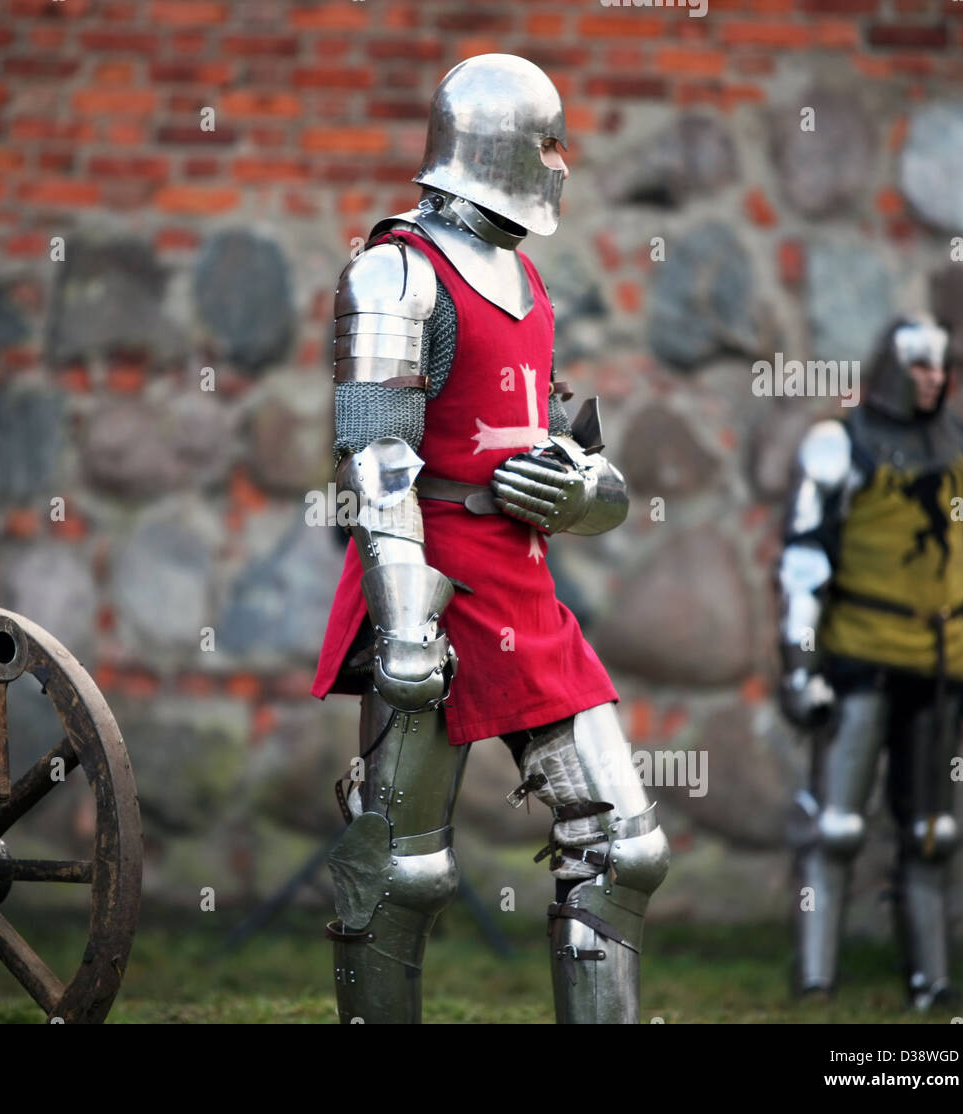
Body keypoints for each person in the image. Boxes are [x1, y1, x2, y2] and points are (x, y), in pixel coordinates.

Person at [310, 54, 669, 1025]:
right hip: (426, 579)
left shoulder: (523, 276)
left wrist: (579, 484)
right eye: (549, 141)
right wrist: (401, 623)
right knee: (399, 869)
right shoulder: (393, 271)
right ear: (500, 148)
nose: (561, 160)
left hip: (520, 581)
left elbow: (569, 448)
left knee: (624, 846)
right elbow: (375, 457)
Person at [777, 314, 963, 1010]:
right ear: (893, 369)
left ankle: (929, 983)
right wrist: (800, 663)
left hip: (941, 663)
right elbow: (805, 562)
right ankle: (817, 978)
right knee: (838, 825)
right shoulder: (837, 443)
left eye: (940, 365)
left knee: (932, 833)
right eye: (920, 366)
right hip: (861, 659)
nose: (934, 378)